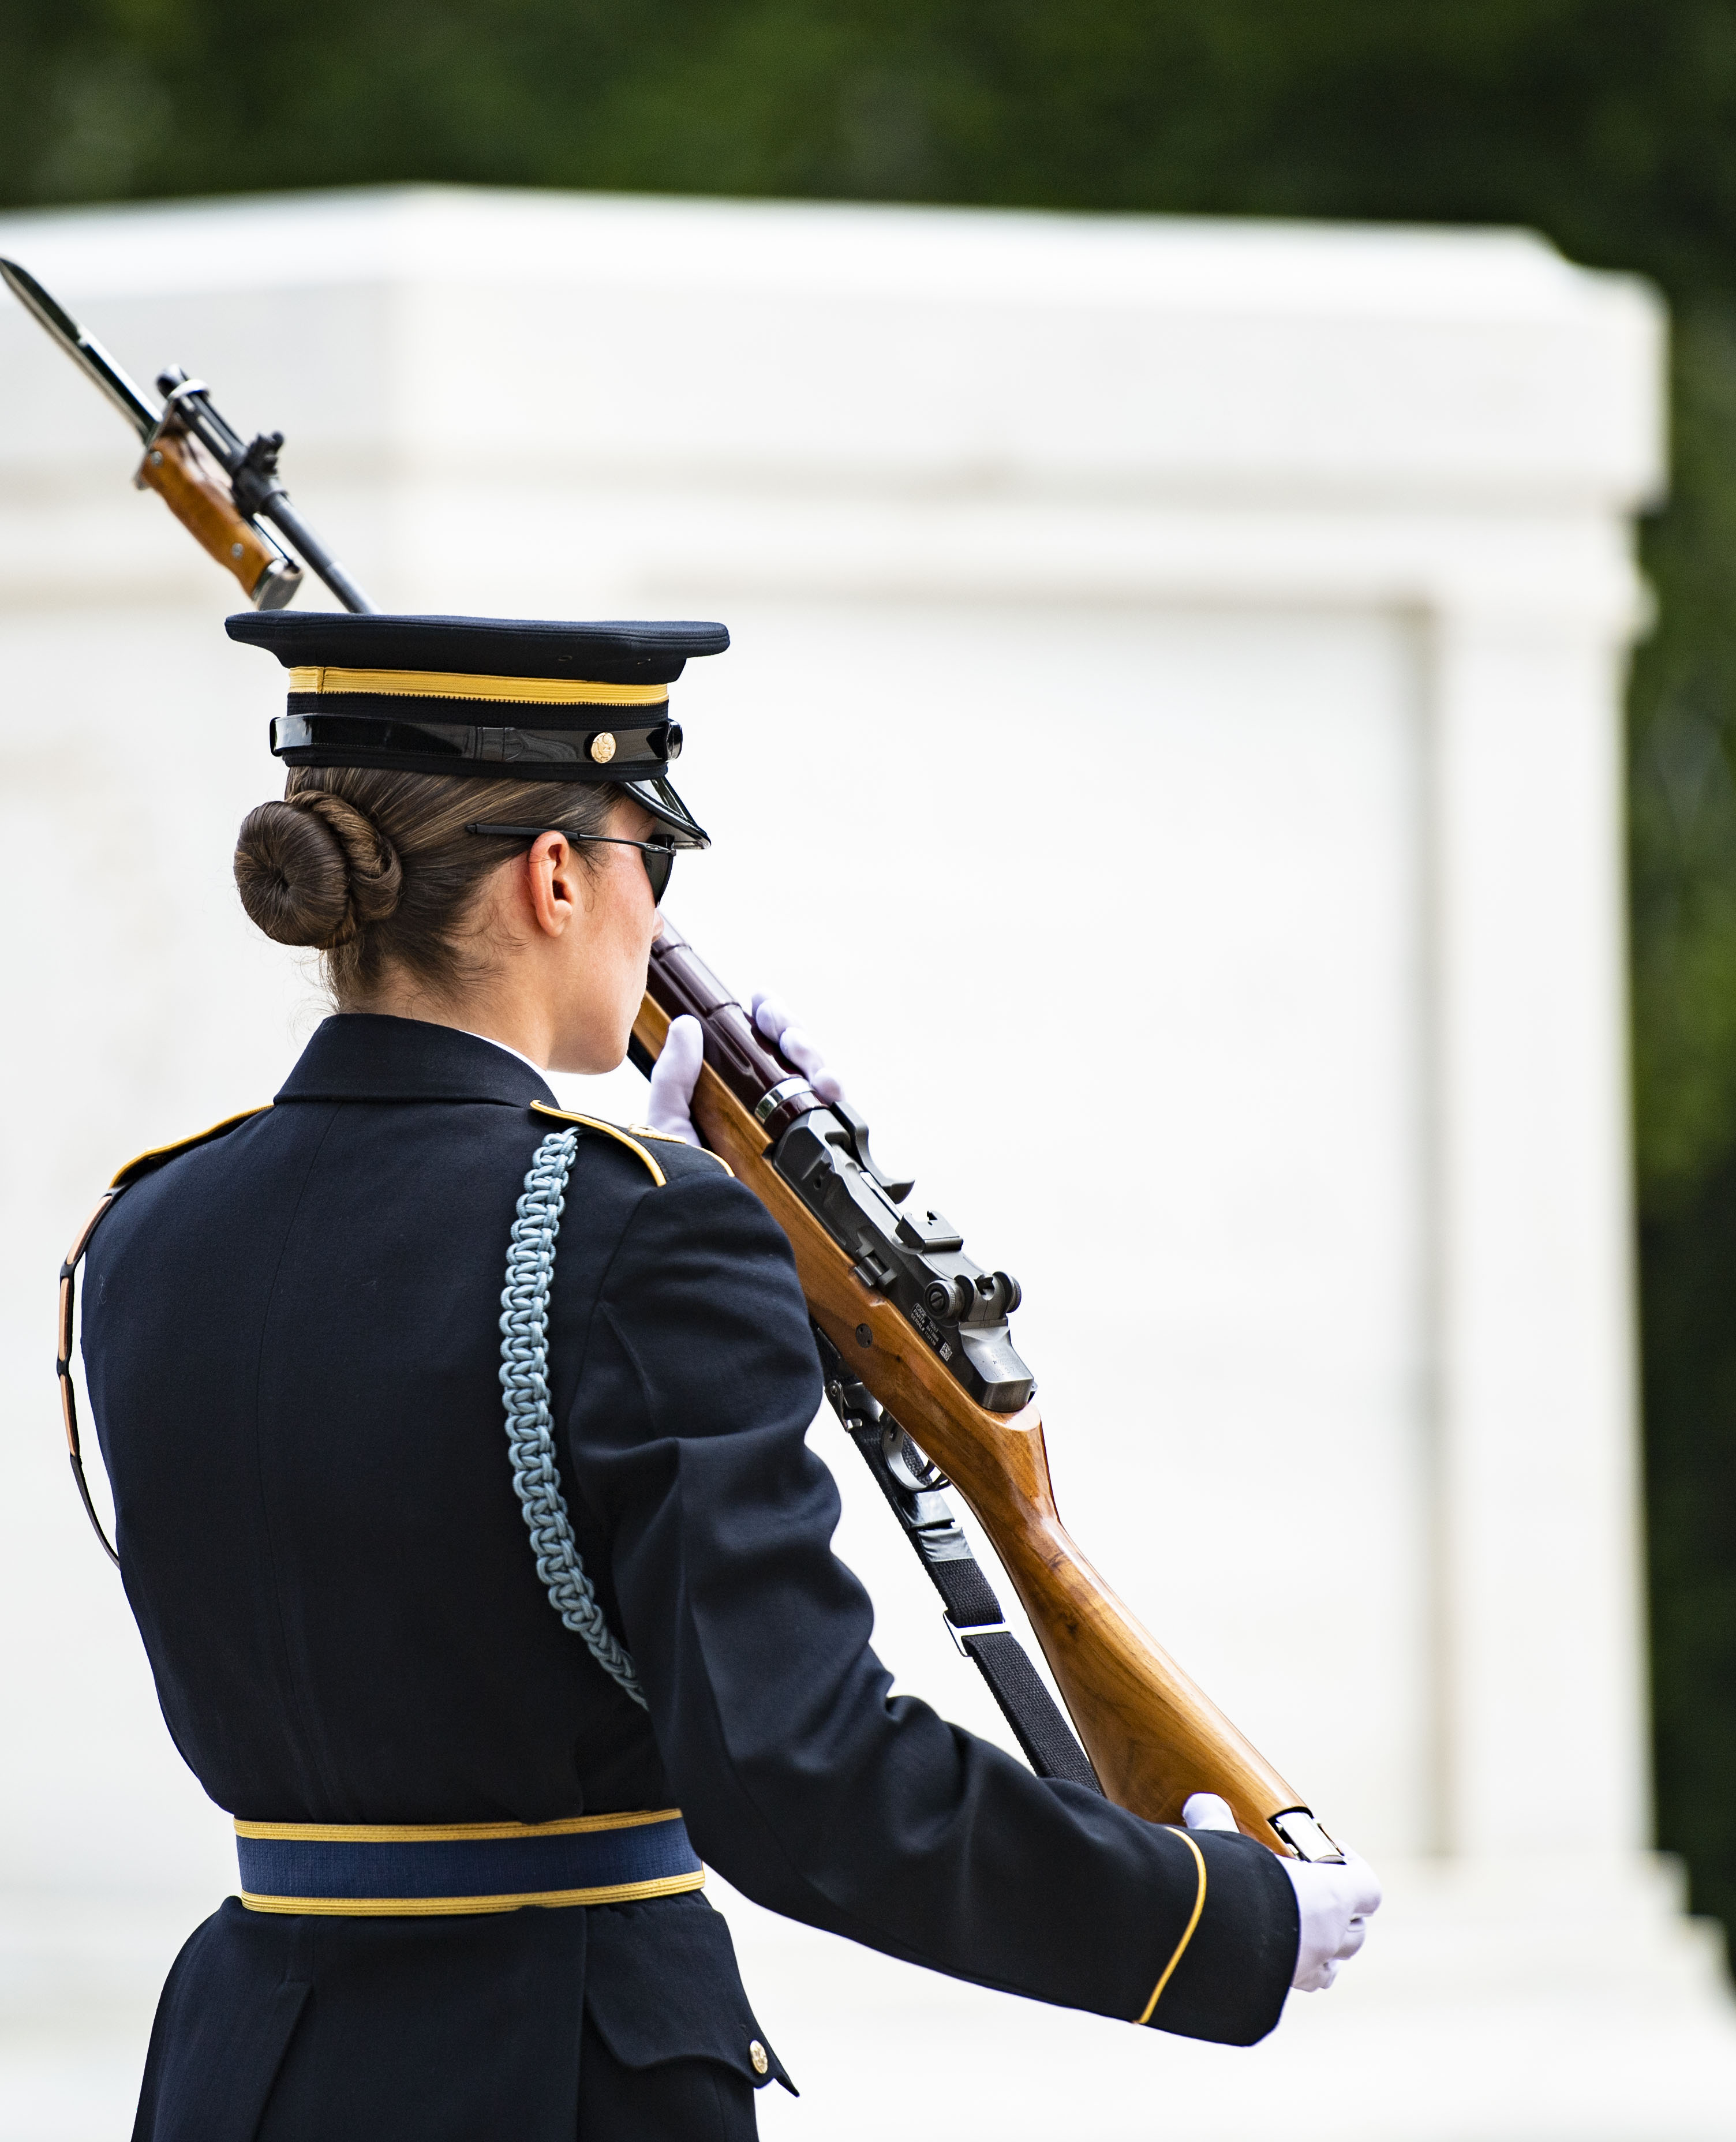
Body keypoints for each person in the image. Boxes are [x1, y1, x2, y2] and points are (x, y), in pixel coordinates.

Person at [74, 613, 1379, 2141]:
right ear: (553, 877)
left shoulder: (145, 1225)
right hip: (556, 2080)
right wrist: (1208, 1921)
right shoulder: (639, 1233)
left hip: (243, 2072)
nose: (653, 905)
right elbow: (803, 1774)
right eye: (651, 853)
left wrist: (687, 1230)